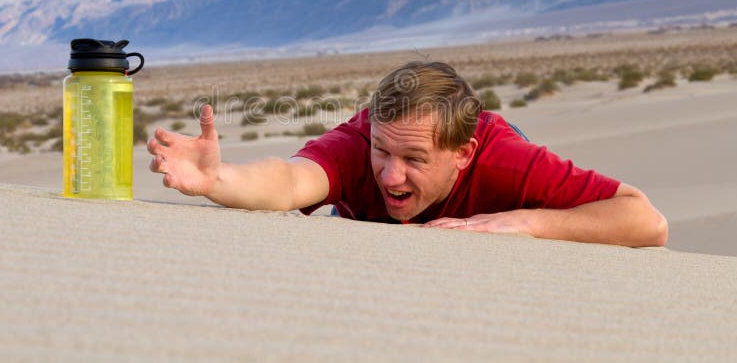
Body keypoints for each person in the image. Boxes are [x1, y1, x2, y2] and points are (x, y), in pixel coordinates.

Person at [148, 61, 668, 247]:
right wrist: (218, 180)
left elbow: (646, 222)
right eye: (382, 151)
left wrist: (527, 222)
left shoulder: (503, 157)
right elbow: (287, 183)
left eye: (415, 159)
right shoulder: (359, 143)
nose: (390, 174)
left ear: (463, 154)